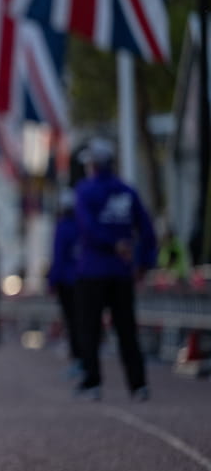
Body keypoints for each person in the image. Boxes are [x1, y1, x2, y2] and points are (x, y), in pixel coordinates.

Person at [72, 138, 157, 402]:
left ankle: (92, 382)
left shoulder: (85, 191)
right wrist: (143, 261)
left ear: (94, 165)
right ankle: (138, 384)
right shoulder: (126, 191)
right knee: (126, 330)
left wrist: (113, 244)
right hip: (121, 272)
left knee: (90, 330)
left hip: (93, 271)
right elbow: (147, 229)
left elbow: (87, 228)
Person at [46, 189, 81, 379]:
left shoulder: (63, 226)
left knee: (73, 322)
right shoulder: (82, 224)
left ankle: (78, 360)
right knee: (84, 322)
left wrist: (52, 280)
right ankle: (84, 360)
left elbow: (58, 255)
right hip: (84, 279)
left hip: (67, 281)